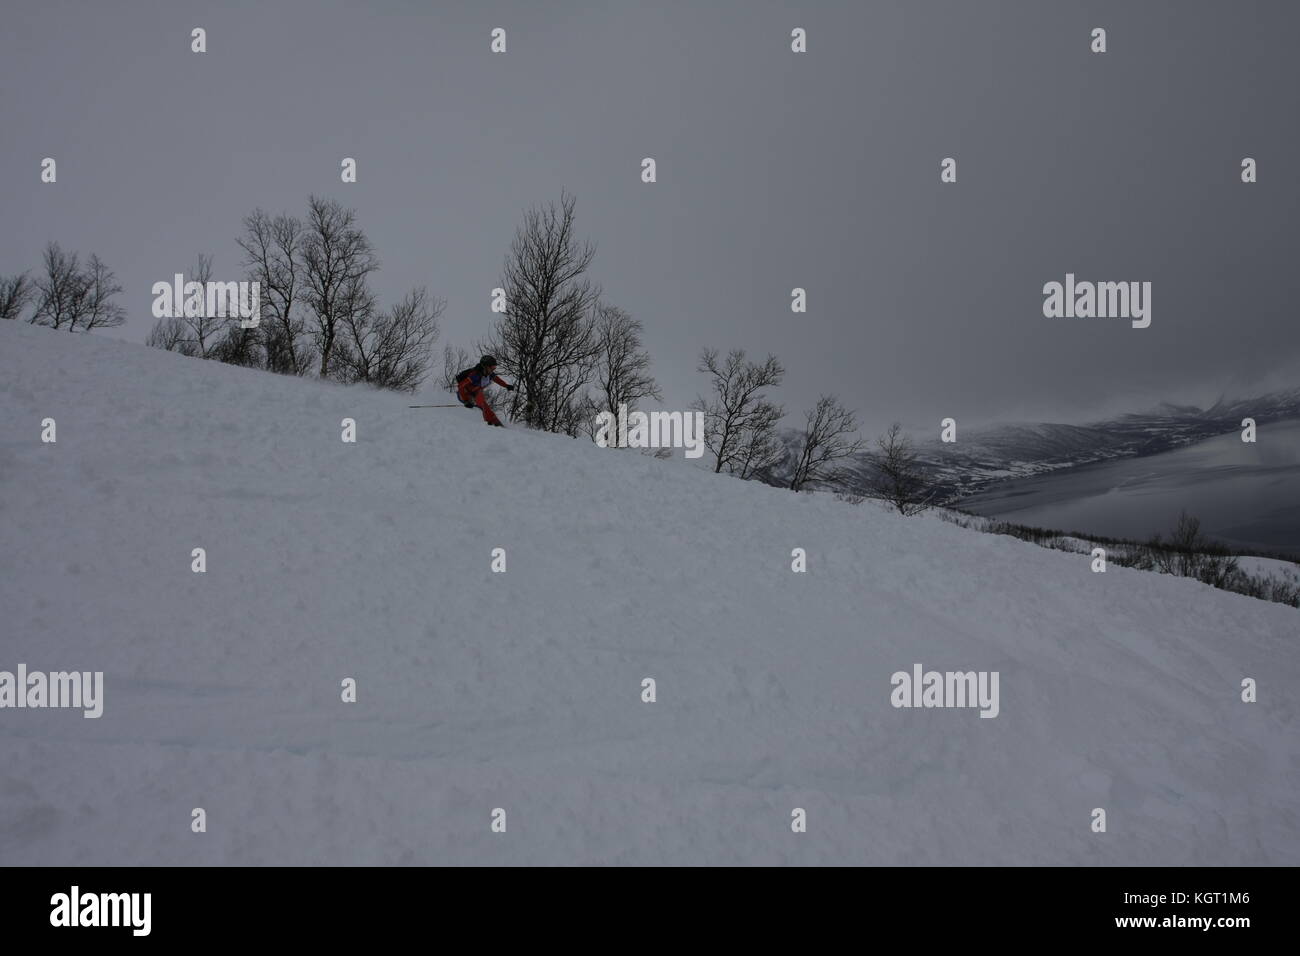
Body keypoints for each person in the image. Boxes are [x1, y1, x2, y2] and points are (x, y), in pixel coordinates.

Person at [455, 355, 514, 427]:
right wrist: (466, 400)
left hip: (475, 393)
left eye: (494, 368)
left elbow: (497, 379)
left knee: (483, 404)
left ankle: (492, 421)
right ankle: (490, 423)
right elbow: (460, 386)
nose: (493, 370)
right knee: (483, 404)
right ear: (485, 366)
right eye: (492, 368)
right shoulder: (474, 375)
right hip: (464, 393)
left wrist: (506, 386)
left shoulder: (489, 374)